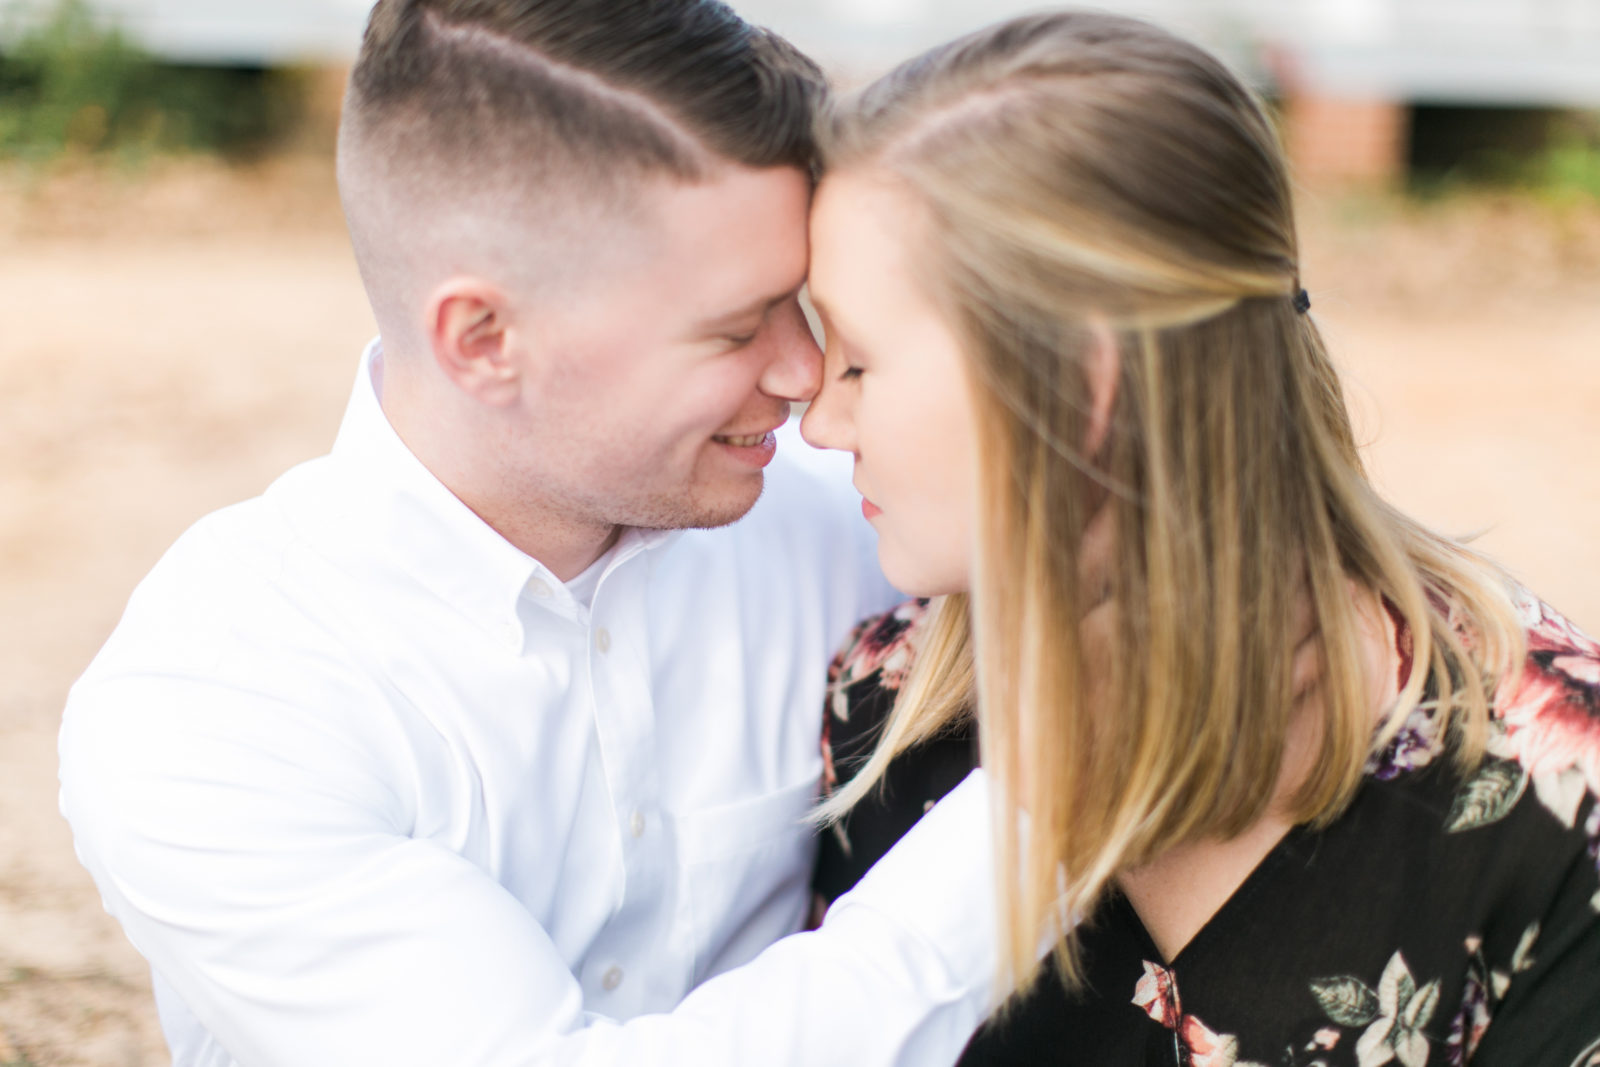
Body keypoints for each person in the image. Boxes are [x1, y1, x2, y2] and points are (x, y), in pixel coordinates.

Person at [57, 2, 1004, 1065]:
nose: (800, 375)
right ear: (484, 340)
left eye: (806, 308)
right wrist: (1031, 816)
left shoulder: (853, 523)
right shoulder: (220, 702)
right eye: (737, 327)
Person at [800, 11, 1600, 1065]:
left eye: (856, 361)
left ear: (1081, 384)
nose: (817, 420)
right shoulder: (884, 724)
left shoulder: (1545, 798)